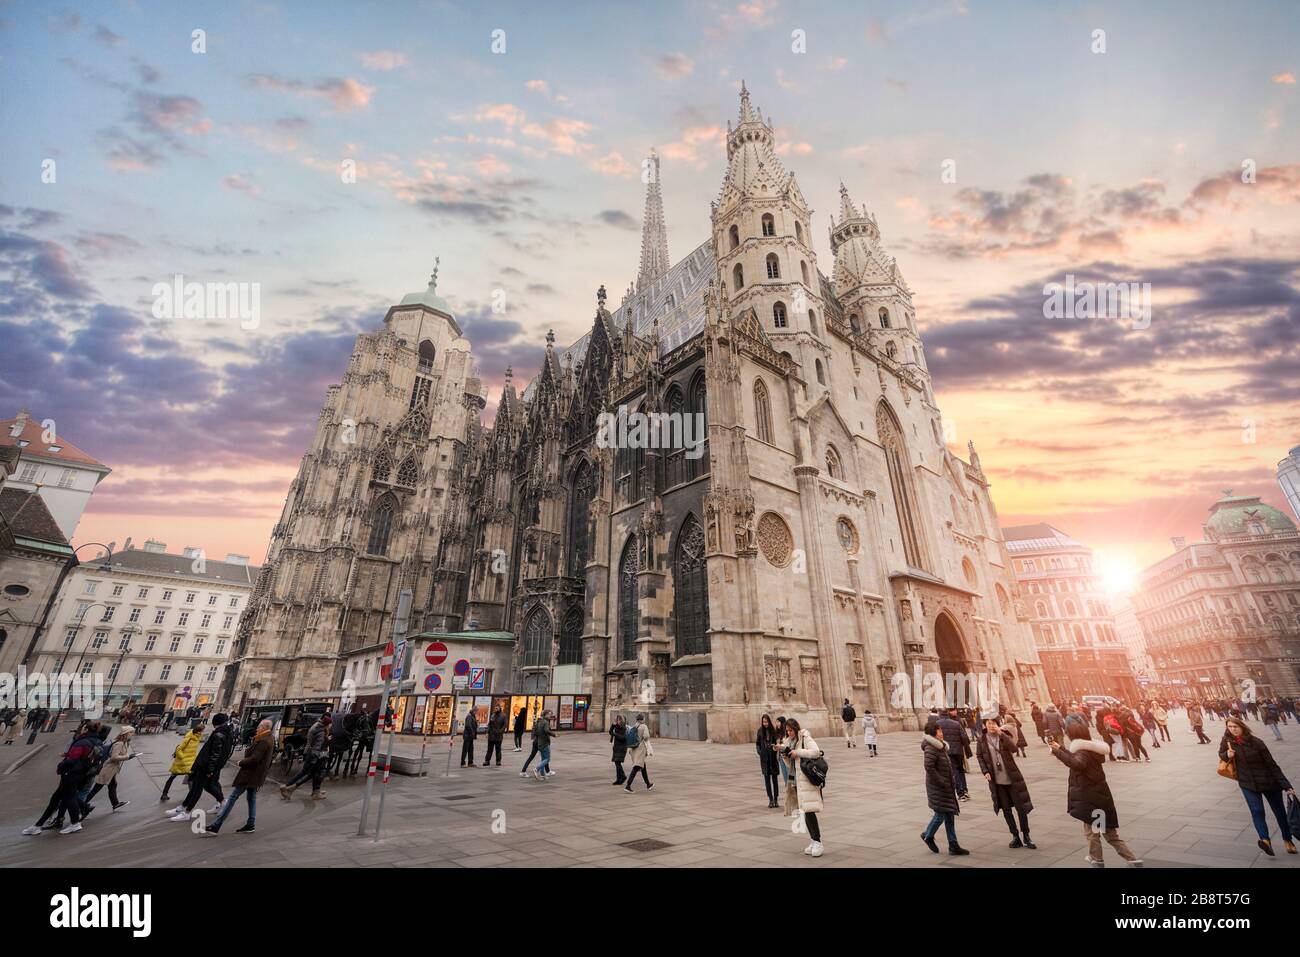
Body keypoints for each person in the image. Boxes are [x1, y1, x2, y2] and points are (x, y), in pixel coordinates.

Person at [1049, 723, 1142, 867]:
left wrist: (1057, 752)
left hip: (1092, 802)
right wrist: (1060, 749)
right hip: (1099, 800)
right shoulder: (1089, 749)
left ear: (1073, 735)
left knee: (1093, 833)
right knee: (1109, 835)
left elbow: (1077, 763)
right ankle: (1132, 860)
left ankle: (1097, 860)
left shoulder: (1082, 753)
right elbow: (1076, 758)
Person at [1220, 717, 1296, 855]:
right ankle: (1265, 840)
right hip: (1248, 784)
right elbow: (1221, 755)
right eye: (1230, 727)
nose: (1233, 729)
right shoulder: (1227, 742)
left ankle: (1288, 840)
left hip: (1269, 783)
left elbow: (1272, 765)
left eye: (1235, 726)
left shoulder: (1257, 743)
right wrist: (1227, 754)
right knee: (1257, 811)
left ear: (1242, 727)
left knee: (1279, 812)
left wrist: (1286, 785)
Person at [22, 723, 100, 835]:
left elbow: (72, 759)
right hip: (81, 773)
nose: (80, 730)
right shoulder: (97, 741)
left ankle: (75, 823)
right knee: (56, 799)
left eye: (82, 728)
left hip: (71, 773)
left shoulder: (82, 741)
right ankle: (38, 825)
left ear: (86, 729)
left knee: (69, 798)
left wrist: (61, 767)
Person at [204, 718, 276, 836]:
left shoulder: (263, 741)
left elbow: (255, 759)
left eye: (258, 727)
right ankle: (250, 824)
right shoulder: (268, 738)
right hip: (256, 775)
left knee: (233, 797)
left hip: (250, 774)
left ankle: (217, 825)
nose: (257, 729)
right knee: (251, 797)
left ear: (264, 728)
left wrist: (241, 762)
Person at [976, 717, 1035, 849]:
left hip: (1012, 778)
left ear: (998, 724)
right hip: (997, 782)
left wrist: (1001, 733)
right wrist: (985, 771)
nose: (992, 726)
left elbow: (1014, 748)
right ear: (985, 725)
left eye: (994, 723)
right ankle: (1015, 836)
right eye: (989, 723)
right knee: (1006, 810)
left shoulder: (1004, 735)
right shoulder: (982, 739)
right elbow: (979, 756)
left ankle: (1026, 836)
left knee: (1021, 809)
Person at [169, 712, 234, 821]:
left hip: (206, 766)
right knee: (203, 786)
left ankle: (187, 812)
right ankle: (184, 807)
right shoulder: (226, 733)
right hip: (210, 765)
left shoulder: (219, 734)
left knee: (197, 788)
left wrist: (210, 769)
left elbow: (215, 754)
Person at [920, 720, 967, 856]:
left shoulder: (940, 746)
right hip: (939, 787)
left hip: (945, 786)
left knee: (949, 814)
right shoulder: (931, 747)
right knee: (940, 815)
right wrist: (942, 782)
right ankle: (928, 835)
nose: (942, 732)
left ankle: (953, 844)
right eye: (940, 730)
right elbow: (929, 767)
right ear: (934, 732)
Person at [780, 718, 825, 857]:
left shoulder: (805, 737)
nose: (789, 733)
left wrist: (797, 752)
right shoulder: (788, 742)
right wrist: (785, 755)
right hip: (795, 780)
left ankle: (818, 842)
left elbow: (816, 752)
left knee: (809, 811)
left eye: (791, 730)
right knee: (804, 811)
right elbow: (791, 765)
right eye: (787, 731)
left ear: (796, 728)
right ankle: (813, 840)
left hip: (806, 780)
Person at [85, 726, 136, 811]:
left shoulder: (124, 742)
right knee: (96, 788)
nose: (132, 734)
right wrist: (128, 757)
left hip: (112, 769)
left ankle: (115, 804)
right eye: (131, 732)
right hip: (108, 769)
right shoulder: (119, 743)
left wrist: (129, 756)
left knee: (112, 785)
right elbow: (113, 757)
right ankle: (81, 806)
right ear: (126, 733)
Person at [281, 714, 330, 800]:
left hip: (310, 753)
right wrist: (319, 755)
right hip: (315, 756)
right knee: (311, 773)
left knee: (309, 773)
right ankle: (289, 787)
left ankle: (315, 791)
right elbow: (317, 746)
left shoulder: (317, 727)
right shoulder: (321, 732)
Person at [160, 721, 204, 802]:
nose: (202, 733)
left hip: (190, 761)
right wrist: (183, 758)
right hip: (182, 762)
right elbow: (179, 749)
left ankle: (191, 795)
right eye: (202, 731)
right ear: (199, 731)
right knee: (173, 777)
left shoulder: (197, 738)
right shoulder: (189, 737)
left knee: (191, 777)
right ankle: (164, 794)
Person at [936, 707, 970, 800]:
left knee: (954, 771)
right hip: (958, 751)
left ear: (939, 714)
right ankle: (965, 790)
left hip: (946, 751)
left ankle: (960, 793)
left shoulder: (937, 724)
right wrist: (964, 747)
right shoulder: (956, 723)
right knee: (960, 770)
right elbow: (965, 738)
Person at [623, 713, 653, 792]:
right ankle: (628, 786)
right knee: (636, 767)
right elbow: (646, 736)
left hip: (634, 748)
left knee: (643, 766)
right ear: (642, 719)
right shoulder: (644, 726)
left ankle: (648, 784)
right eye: (643, 718)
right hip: (640, 749)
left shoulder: (634, 726)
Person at [755, 713, 781, 807]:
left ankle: (776, 799)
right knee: (767, 780)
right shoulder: (760, 731)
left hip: (773, 758)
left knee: (774, 779)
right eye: (763, 722)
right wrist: (759, 751)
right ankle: (770, 799)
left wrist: (775, 748)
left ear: (769, 722)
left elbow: (777, 742)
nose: (765, 723)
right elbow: (757, 743)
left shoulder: (773, 731)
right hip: (764, 758)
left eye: (766, 721)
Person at [531, 710, 553, 781]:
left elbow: (535, 731)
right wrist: (554, 734)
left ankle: (543, 775)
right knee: (547, 759)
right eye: (549, 714)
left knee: (543, 759)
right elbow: (546, 731)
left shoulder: (539, 721)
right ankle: (536, 769)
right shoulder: (546, 722)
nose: (550, 716)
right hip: (545, 743)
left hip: (539, 742)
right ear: (545, 715)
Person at [609, 714, 628, 785]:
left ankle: (622, 777)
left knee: (617, 763)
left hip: (622, 747)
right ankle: (619, 779)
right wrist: (613, 725)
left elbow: (623, 738)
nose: (617, 721)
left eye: (618, 719)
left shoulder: (624, 728)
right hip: (616, 747)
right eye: (617, 719)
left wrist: (615, 734)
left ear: (621, 720)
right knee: (617, 763)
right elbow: (610, 732)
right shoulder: (616, 727)